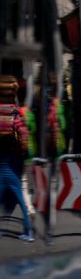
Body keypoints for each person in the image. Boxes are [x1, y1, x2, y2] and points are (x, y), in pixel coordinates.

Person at [0, 75, 34, 242]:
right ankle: (28, 230)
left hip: (2, 160)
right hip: (13, 160)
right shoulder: (15, 113)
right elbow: (24, 136)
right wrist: (23, 152)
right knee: (18, 194)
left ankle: (28, 230)